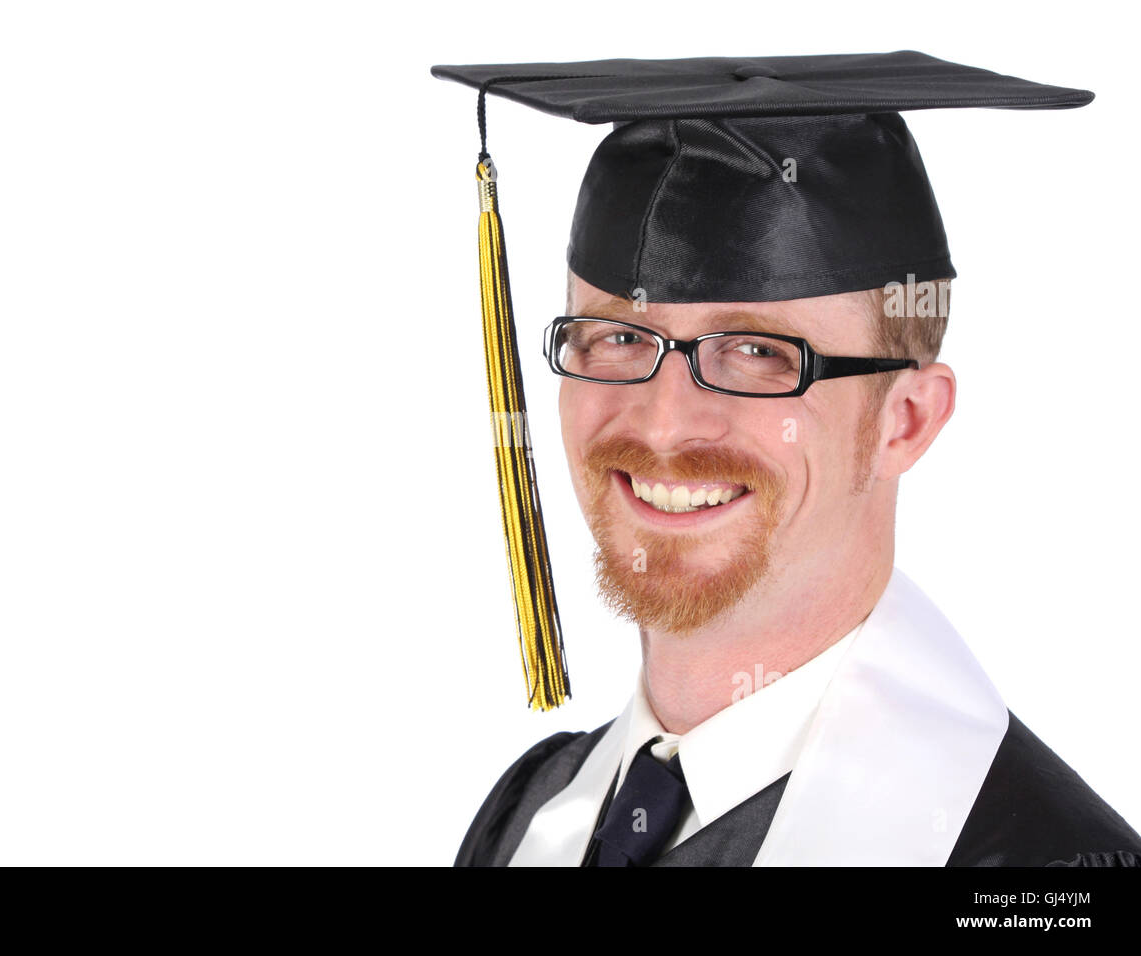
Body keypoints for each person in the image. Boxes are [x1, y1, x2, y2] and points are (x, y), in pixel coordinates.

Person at [431, 52, 1141, 866]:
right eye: (620, 338)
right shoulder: (531, 817)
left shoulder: (1037, 872)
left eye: (758, 353)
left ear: (905, 421)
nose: (665, 424)